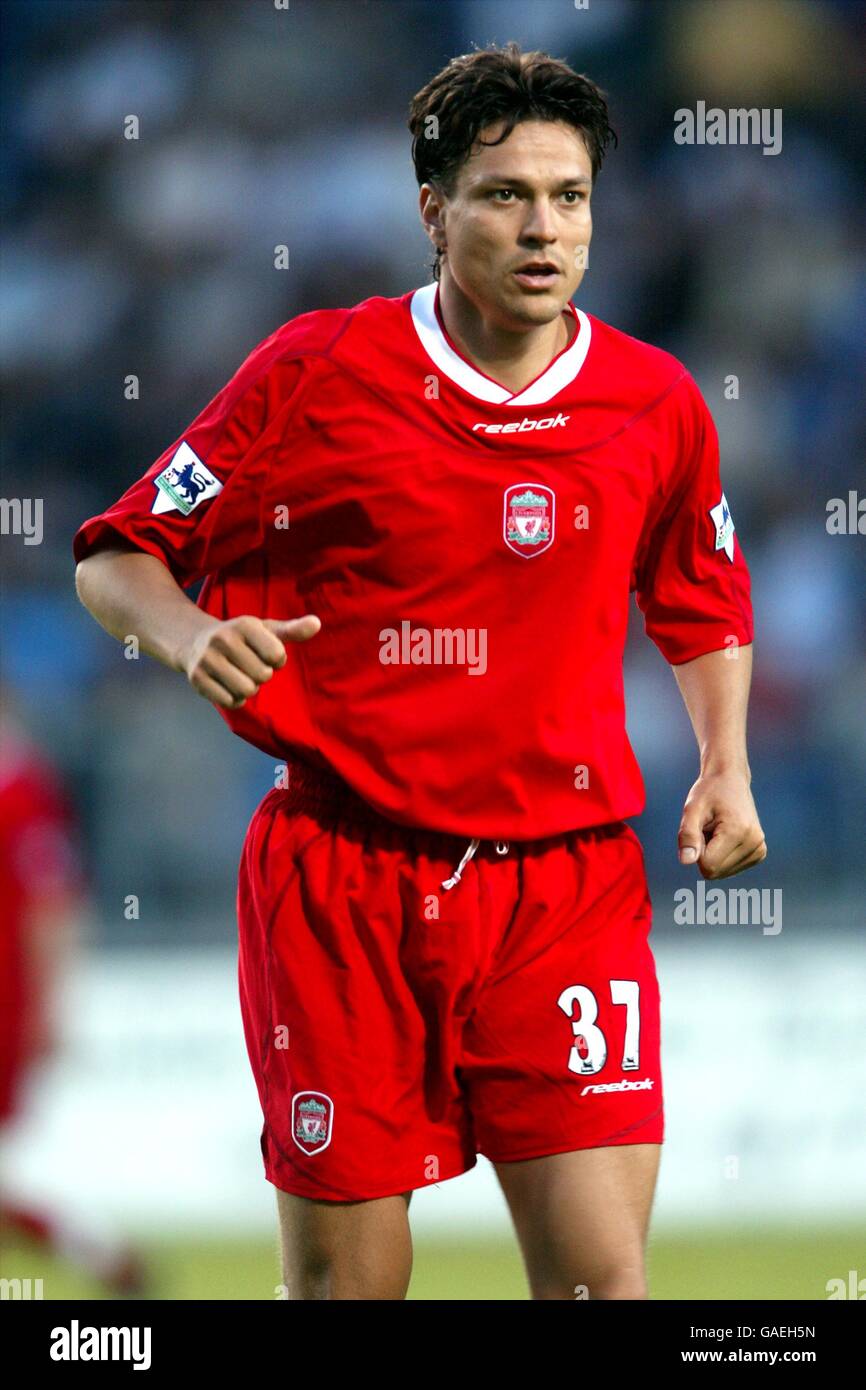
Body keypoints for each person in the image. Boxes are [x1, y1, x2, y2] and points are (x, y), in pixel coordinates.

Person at [73, 42, 766, 1301]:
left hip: (564, 886)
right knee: (347, 1296)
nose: (542, 226)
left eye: (569, 196)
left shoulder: (654, 400)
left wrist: (723, 763)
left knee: (602, 1289)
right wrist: (189, 638)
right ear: (433, 212)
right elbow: (119, 556)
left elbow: (698, 594)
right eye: (504, 195)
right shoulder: (314, 375)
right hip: (345, 878)